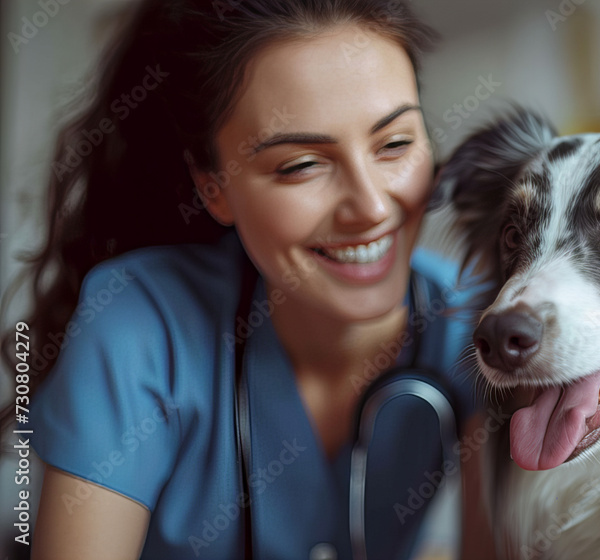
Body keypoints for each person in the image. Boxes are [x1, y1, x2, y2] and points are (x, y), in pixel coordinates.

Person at [0, 0, 495, 558]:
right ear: (213, 186)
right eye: (301, 164)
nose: (371, 207)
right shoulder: (139, 325)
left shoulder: (479, 325)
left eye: (396, 144)